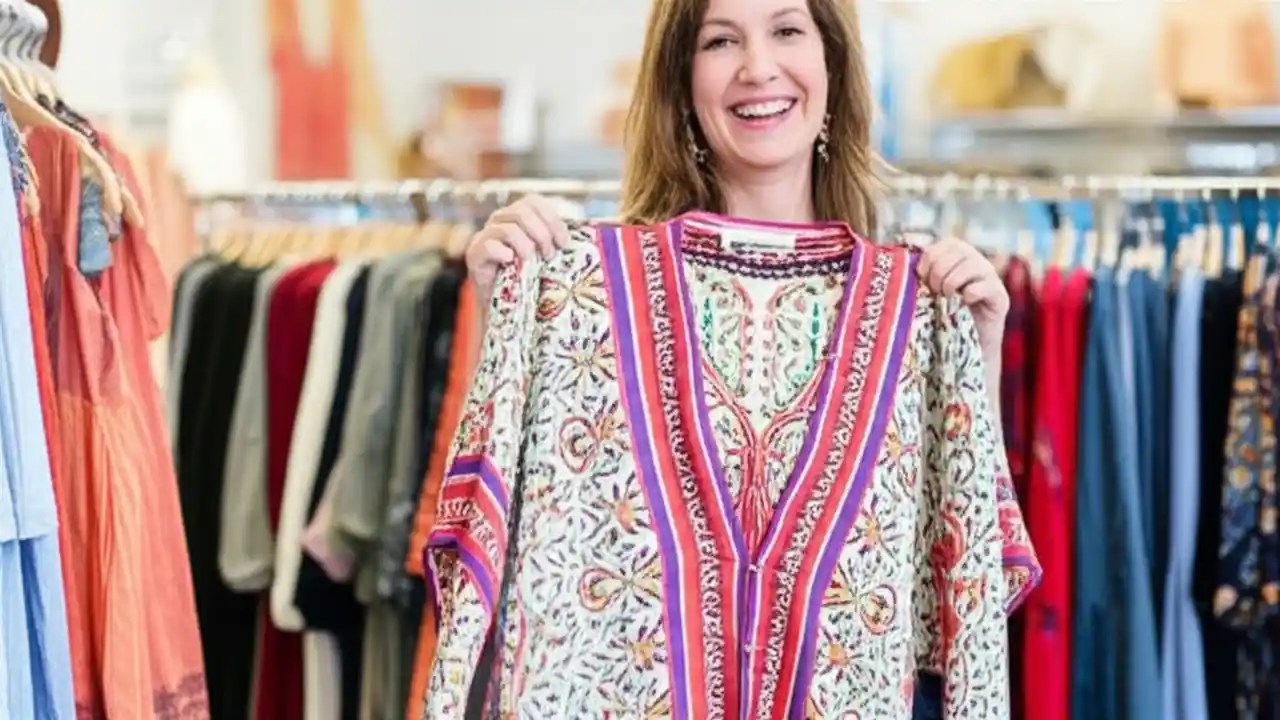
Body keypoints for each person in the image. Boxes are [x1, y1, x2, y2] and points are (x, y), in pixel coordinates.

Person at [463, 0, 1010, 421]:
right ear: (680, 83)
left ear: (833, 67)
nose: (757, 67)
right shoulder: (596, 296)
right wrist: (504, 316)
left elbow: (965, 542)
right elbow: (517, 526)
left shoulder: (916, 300)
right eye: (721, 40)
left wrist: (975, 355)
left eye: (787, 30)